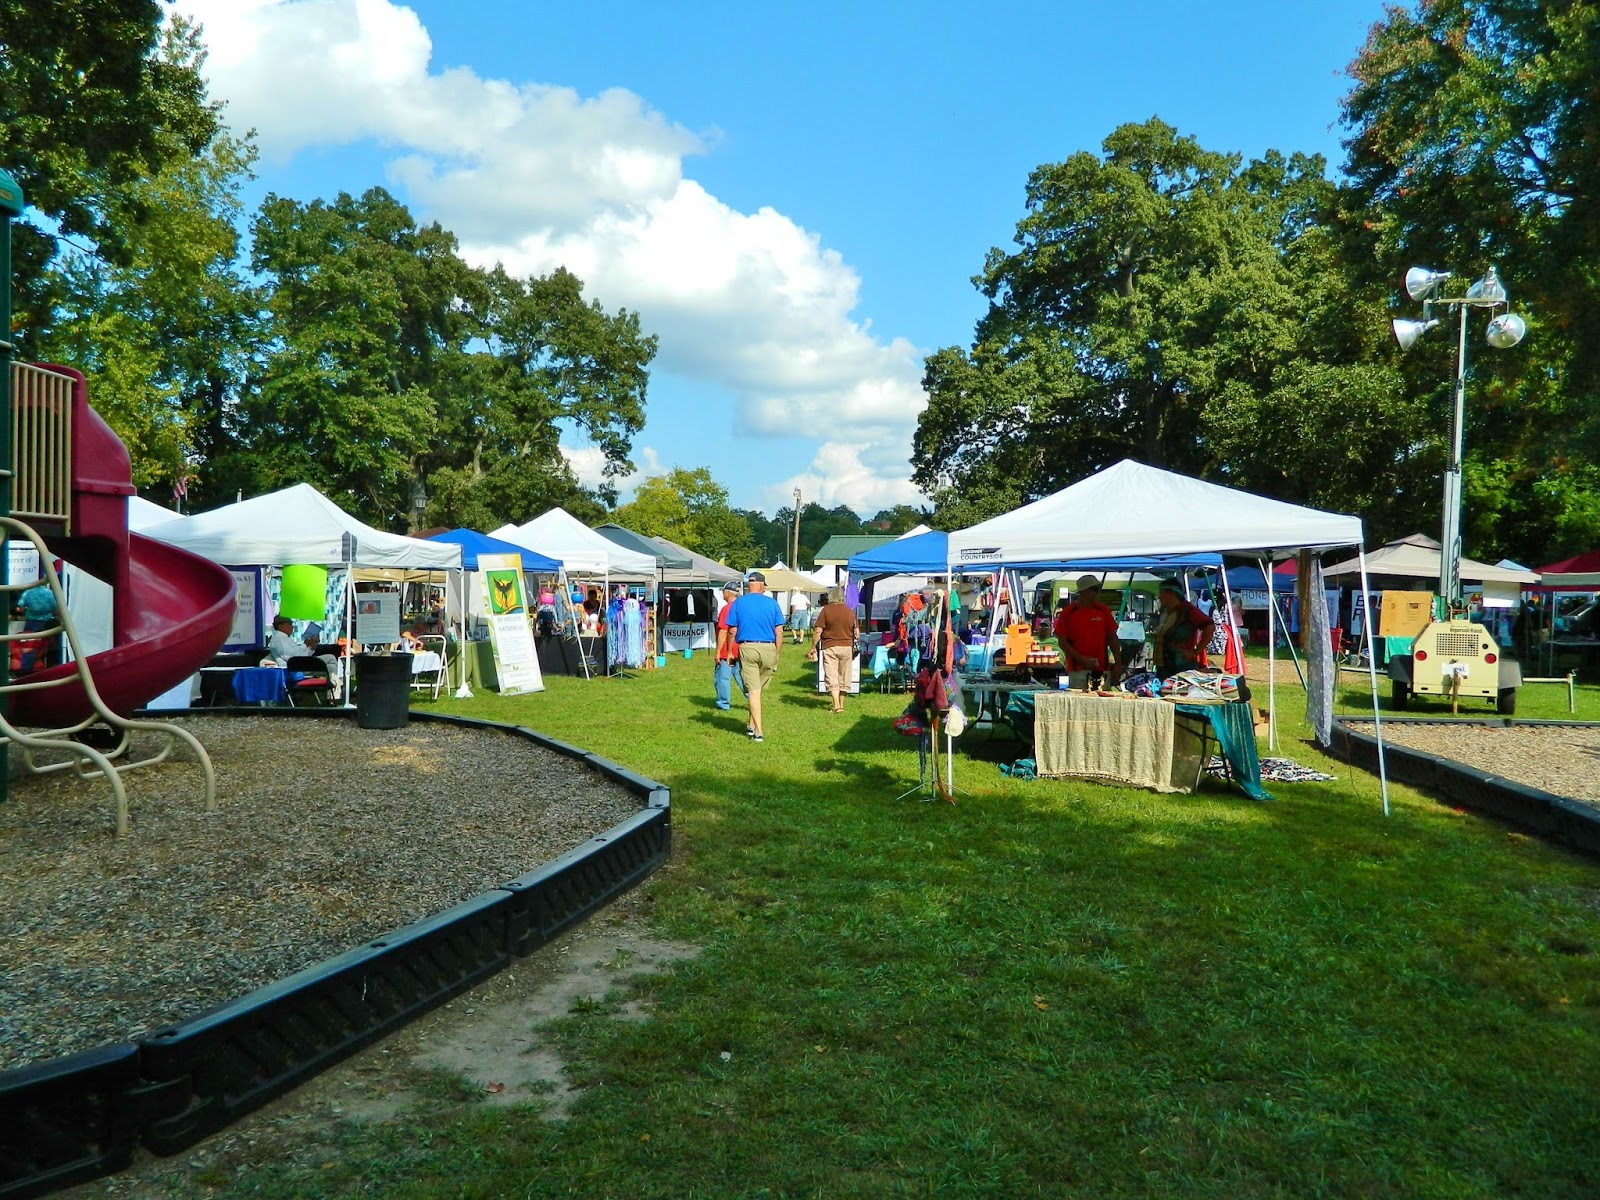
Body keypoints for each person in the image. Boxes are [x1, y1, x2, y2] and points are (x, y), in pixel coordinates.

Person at [723, 570, 784, 743]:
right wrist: (776, 652)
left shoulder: (739, 603)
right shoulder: (772, 604)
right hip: (769, 649)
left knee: (754, 691)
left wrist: (729, 651)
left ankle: (757, 730)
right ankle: (753, 727)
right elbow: (779, 631)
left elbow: (732, 630)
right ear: (762, 586)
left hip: (747, 647)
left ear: (750, 586)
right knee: (756, 691)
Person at [1053, 575, 1123, 688]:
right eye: (1095, 589)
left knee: (1102, 703)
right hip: (1077, 670)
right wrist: (1082, 659)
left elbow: (1112, 638)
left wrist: (1118, 664)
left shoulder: (1103, 610)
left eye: (1099, 589)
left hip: (1102, 669)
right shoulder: (1069, 613)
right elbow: (1062, 642)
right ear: (1083, 591)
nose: (1098, 593)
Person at [1152, 578, 1215, 679]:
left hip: (1181, 666)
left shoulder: (1188, 610)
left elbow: (1209, 626)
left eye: (1161, 593)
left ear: (1171, 594)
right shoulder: (1166, 612)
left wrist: (1195, 652)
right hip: (1164, 667)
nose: (1159, 597)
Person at [811, 589, 859, 714]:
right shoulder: (850, 611)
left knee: (831, 675)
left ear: (830, 598)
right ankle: (841, 704)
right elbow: (856, 632)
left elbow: (818, 631)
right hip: (846, 646)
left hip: (830, 645)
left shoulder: (826, 610)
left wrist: (812, 647)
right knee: (844, 675)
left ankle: (836, 704)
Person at [713, 584, 747, 711]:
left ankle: (723, 703)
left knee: (722, 678)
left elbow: (723, 631)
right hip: (741, 648)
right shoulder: (743, 608)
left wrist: (718, 651)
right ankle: (752, 697)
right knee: (740, 675)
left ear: (729, 593)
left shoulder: (727, 609)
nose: (722, 594)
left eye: (723, 591)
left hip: (727, 650)